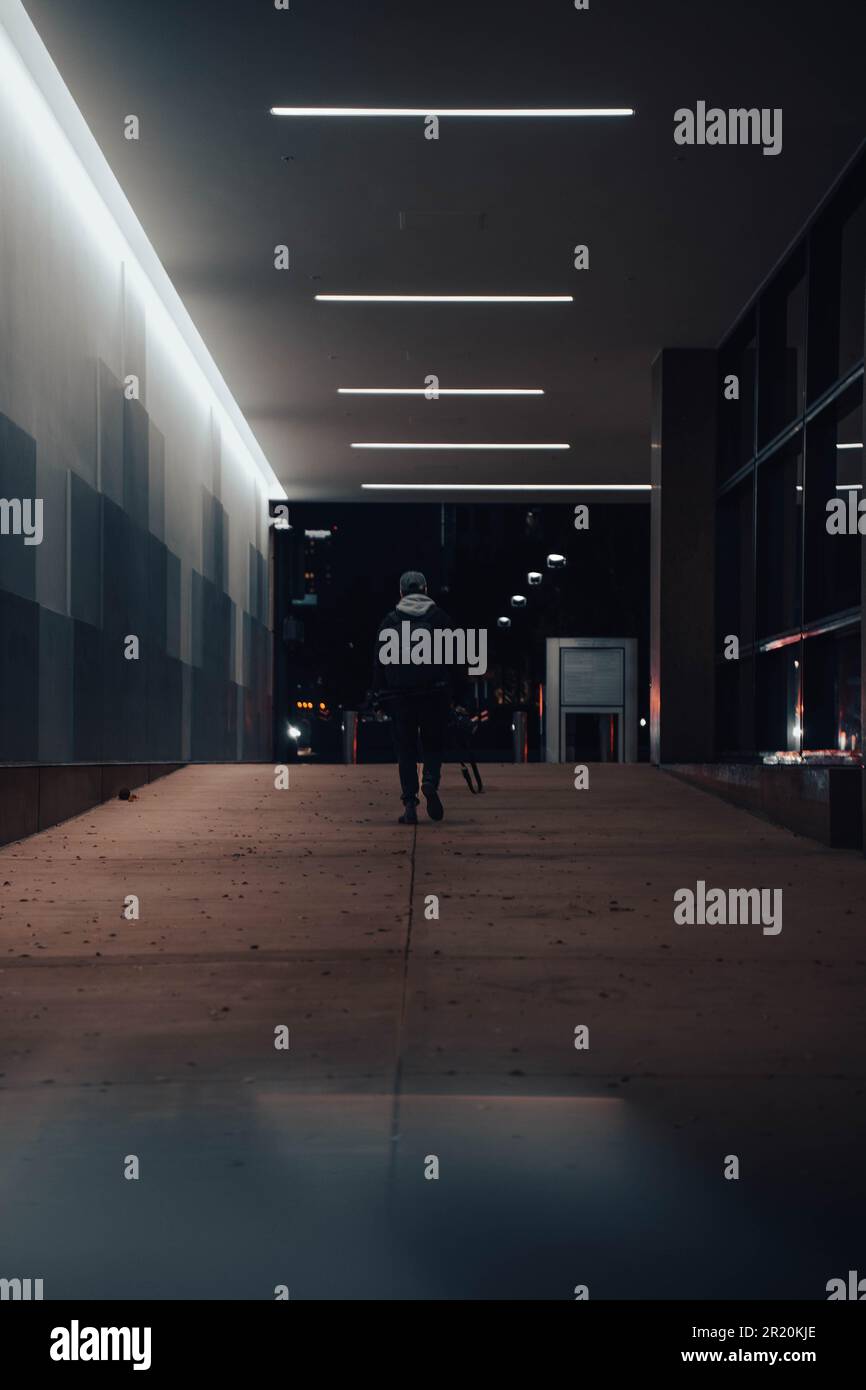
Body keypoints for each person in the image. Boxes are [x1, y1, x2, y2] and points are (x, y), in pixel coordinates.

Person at [371, 571, 455, 825]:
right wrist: (453, 692)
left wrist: (378, 693)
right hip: (433, 694)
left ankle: (409, 803)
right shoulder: (439, 618)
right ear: (425, 590)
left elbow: (379, 661)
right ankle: (429, 780)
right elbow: (454, 658)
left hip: (400, 697)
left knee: (405, 749)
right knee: (432, 743)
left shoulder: (390, 621)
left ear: (401, 592)